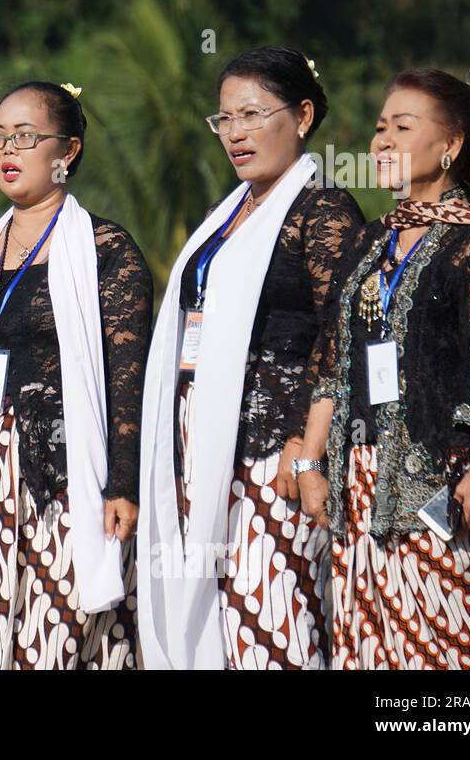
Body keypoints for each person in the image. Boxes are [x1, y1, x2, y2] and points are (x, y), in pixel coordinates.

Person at [0, 82, 153, 669]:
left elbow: (129, 378)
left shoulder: (104, 248)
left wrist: (123, 482)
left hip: (64, 479)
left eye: (24, 136)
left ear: (66, 152)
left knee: (57, 647)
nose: (6, 150)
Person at [138, 48, 362, 669]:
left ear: (304, 115)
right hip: (201, 443)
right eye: (224, 119)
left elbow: (341, 333)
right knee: (214, 621)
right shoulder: (225, 215)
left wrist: (304, 441)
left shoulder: (322, 209)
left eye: (253, 114)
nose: (235, 133)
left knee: (272, 618)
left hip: (275, 447)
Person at [298, 68, 470, 670]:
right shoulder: (371, 241)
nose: (381, 142)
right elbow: (334, 359)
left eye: (403, 127)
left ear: (450, 146)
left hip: (442, 473)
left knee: (448, 640)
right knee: (364, 639)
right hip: (361, 474)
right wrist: (310, 461)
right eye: (379, 128)